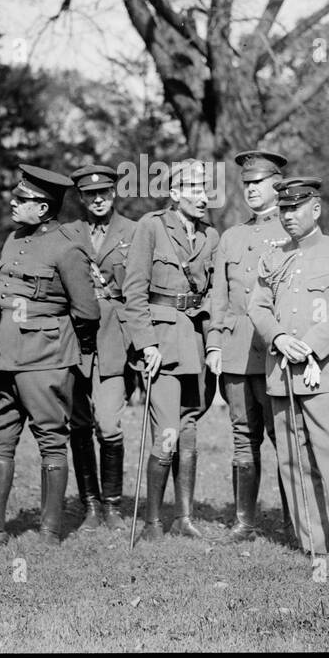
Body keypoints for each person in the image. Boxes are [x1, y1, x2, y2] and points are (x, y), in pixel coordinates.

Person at [0, 164, 100, 547]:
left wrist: (69, 347)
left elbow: (87, 311)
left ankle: (49, 533)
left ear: (43, 208)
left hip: (46, 360)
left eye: (21, 198)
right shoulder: (13, 239)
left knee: (51, 441)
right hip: (4, 356)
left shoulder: (66, 247)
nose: (13, 201)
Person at [248, 177, 329, 565]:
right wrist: (279, 338)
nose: (287, 216)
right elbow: (258, 307)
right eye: (282, 209)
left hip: (328, 372)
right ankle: (312, 539)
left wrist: (310, 346)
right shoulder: (273, 256)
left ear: (315, 209)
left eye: (295, 209)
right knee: (293, 461)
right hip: (283, 372)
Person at [124, 159, 220, 542]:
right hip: (161, 344)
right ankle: (151, 522)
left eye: (206, 189)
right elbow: (134, 291)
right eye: (194, 189)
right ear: (175, 194)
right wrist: (146, 344)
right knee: (166, 431)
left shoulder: (211, 236)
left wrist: (214, 343)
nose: (203, 197)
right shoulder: (151, 226)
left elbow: (213, 295)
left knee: (190, 428)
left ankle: (184, 517)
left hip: (195, 342)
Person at [207, 148, 293, 542]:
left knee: (284, 437)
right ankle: (245, 521)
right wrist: (214, 344)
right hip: (237, 351)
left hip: (276, 353)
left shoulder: (292, 233)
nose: (251, 190)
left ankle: (297, 522)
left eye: (258, 183)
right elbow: (218, 298)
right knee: (243, 436)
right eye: (246, 184)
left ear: (277, 184)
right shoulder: (232, 236)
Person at [59, 163, 138, 532]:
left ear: (115, 193)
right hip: (74, 337)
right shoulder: (66, 233)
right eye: (90, 194)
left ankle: (112, 505)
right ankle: (89, 504)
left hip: (113, 337)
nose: (98, 198)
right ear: (81, 197)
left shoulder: (134, 232)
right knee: (78, 423)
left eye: (104, 192)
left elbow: (141, 291)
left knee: (108, 424)